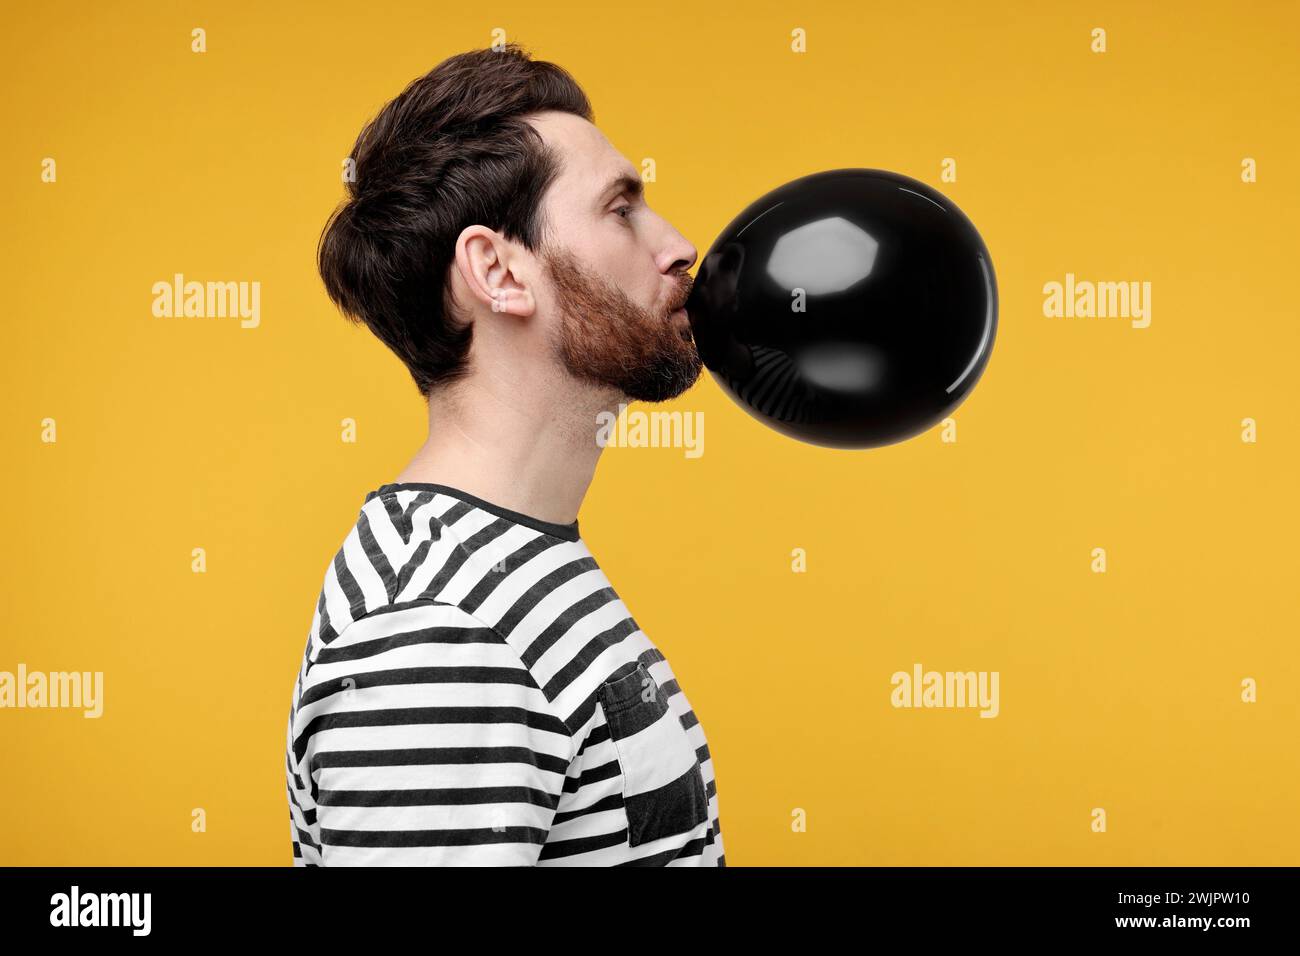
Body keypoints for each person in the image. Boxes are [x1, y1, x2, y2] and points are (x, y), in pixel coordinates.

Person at [283, 42, 724, 866]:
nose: (678, 245)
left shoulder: (506, 571)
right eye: (621, 209)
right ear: (497, 271)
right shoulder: (440, 634)